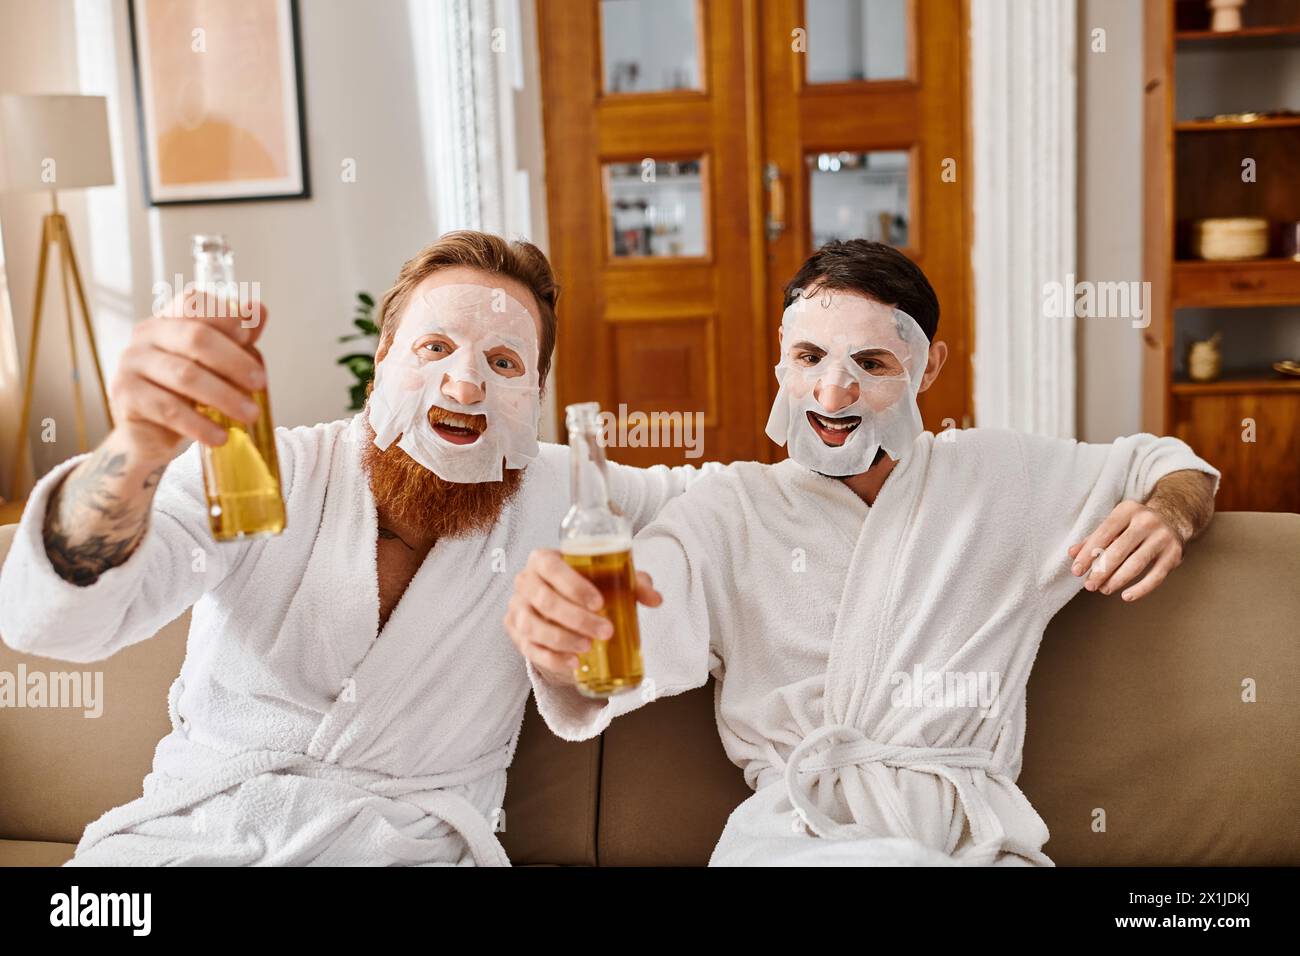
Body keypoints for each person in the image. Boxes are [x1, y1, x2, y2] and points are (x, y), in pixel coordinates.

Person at [0, 230, 713, 866]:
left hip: (414, 850)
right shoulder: (259, 473)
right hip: (194, 839)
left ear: (537, 393)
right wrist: (135, 450)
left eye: (502, 361)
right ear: (382, 360)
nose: (464, 383)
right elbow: (53, 621)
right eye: (434, 347)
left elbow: (737, 506)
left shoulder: (568, 491)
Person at [505, 239, 1220, 866]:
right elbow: (613, 656)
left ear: (927, 368)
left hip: (965, 839)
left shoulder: (1000, 478)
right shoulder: (728, 512)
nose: (832, 390)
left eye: (870, 363)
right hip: (796, 840)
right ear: (781, 360)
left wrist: (1168, 513)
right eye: (809, 356)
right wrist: (562, 636)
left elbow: (1164, 463)